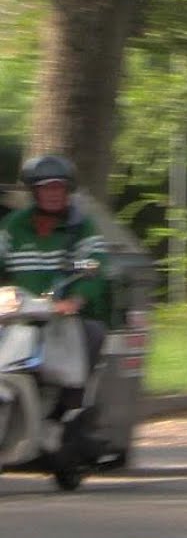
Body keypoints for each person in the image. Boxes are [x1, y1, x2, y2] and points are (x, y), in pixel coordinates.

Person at [0, 155, 108, 419]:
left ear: (68, 190)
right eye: (46, 188)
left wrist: (76, 300)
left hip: (60, 315)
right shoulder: (14, 226)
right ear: (34, 192)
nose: (53, 194)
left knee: (93, 334)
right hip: (17, 314)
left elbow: (95, 266)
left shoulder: (82, 228)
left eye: (59, 187)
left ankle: (67, 411)